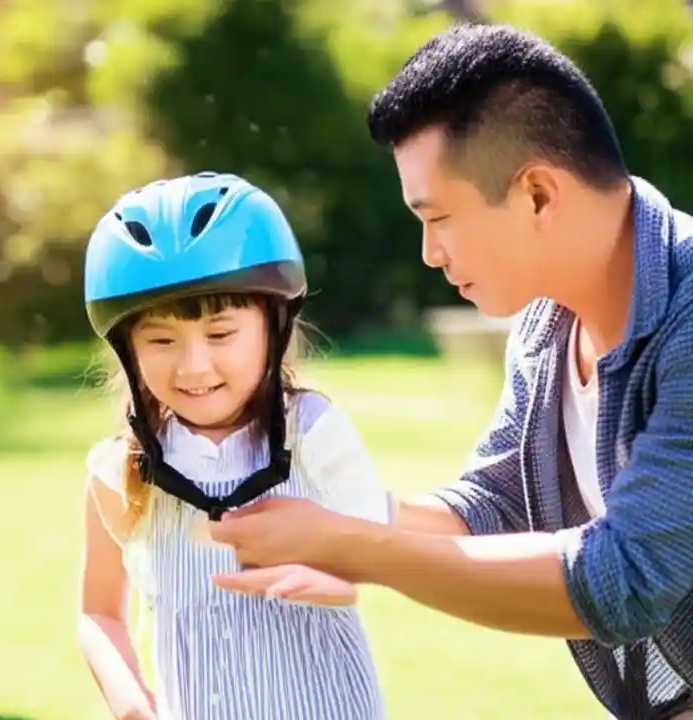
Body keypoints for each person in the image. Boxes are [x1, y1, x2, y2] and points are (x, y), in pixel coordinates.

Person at [208, 23, 693, 719]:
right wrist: (322, 506)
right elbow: (490, 510)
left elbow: (629, 578)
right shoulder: (545, 326)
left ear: (537, 195)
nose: (430, 253)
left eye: (437, 218)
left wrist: (357, 548)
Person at [78, 172, 393, 719]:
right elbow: (99, 611)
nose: (194, 365)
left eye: (221, 335)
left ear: (274, 327)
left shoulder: (312, 433)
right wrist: (129, 699)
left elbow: (380, 543)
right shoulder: (122, 468)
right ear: (127, 351)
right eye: (160, 340)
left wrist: (337, 575)